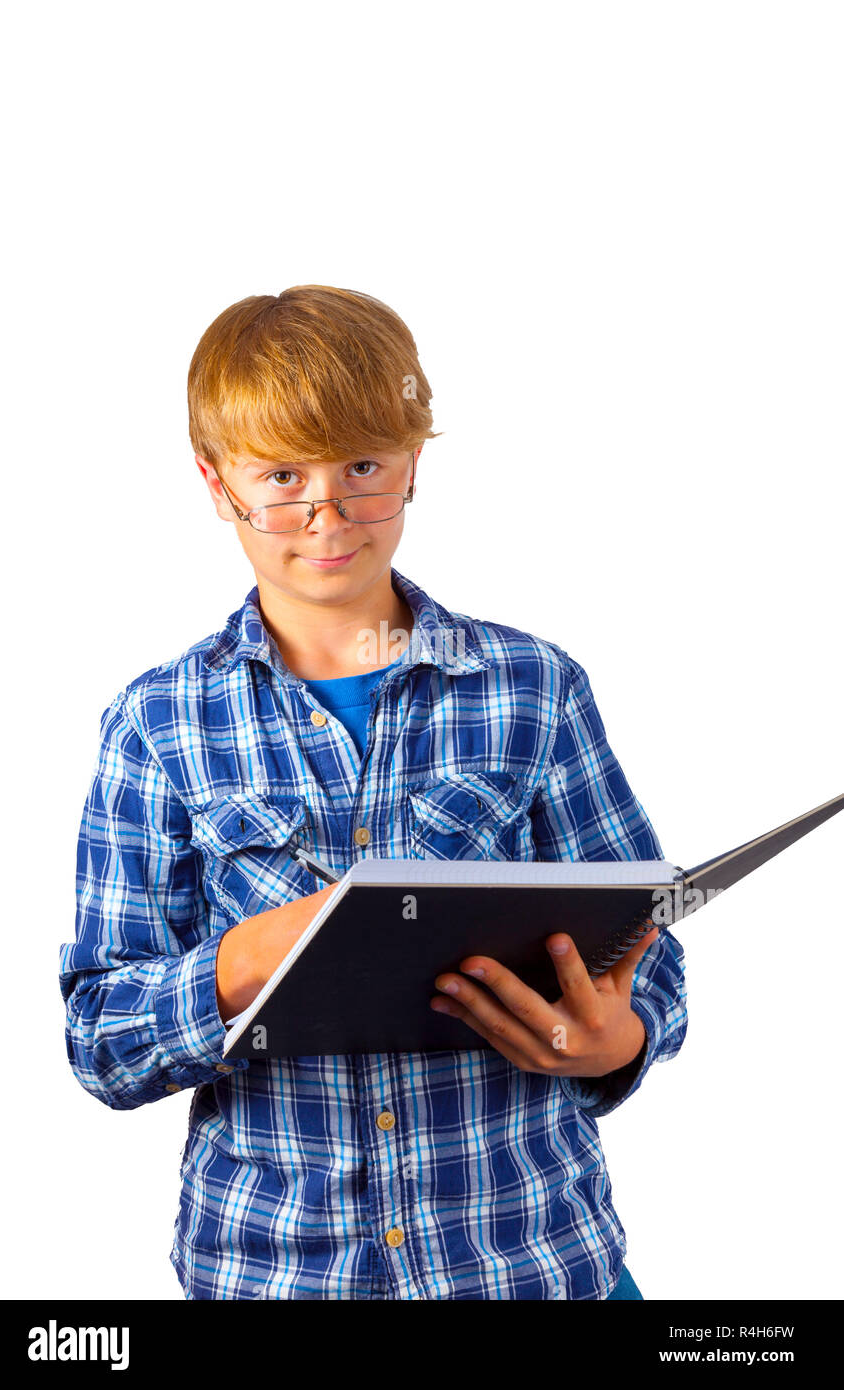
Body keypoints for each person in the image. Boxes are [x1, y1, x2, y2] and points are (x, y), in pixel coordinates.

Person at [59, 285, 687, 1301]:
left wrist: (618, 1039)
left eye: (362, 467)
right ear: (215, 483)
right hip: (277, 1274)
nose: (327, 514)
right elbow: (100, 1038)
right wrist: (255, 952)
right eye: (279, 476)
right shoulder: (158, 724)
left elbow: (648, 944)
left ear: (412, 463)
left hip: (532, 1264)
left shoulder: (532, 688)